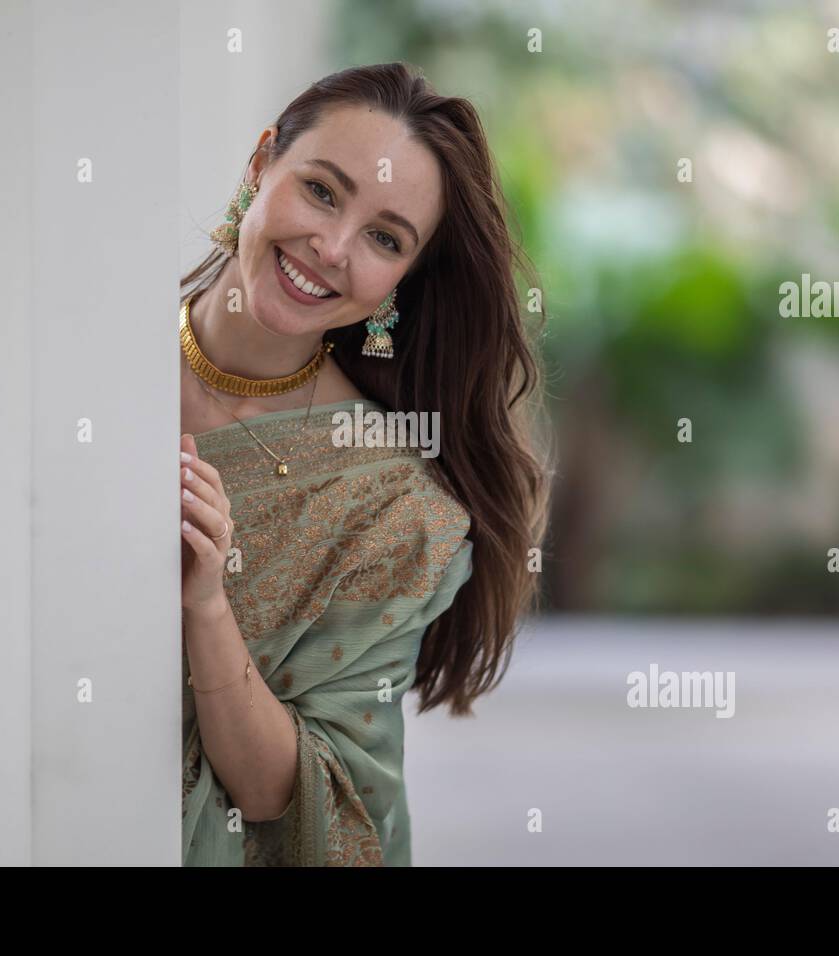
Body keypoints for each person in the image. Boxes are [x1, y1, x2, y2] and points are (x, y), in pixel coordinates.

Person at [179, 61, 552, 865]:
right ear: (261, 164)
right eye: (320, 190)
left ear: (401, 281)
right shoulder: (81, 366)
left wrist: (207, 607)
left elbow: (303, 796)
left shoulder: (390, 505)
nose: (333, 247)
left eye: (385, 238)